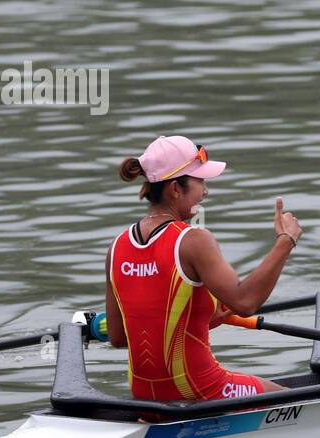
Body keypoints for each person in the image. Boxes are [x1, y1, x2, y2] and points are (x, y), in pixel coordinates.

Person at [105, 135, 302, 401]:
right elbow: (245, 302)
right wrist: (285, 241)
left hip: (144, 397)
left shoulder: (117, 247)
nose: (205, 191)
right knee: (294, 400)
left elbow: (118, 337)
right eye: (201, 182)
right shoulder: (193, 240)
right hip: (201, 390)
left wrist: (205, 321)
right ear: (175, 189)